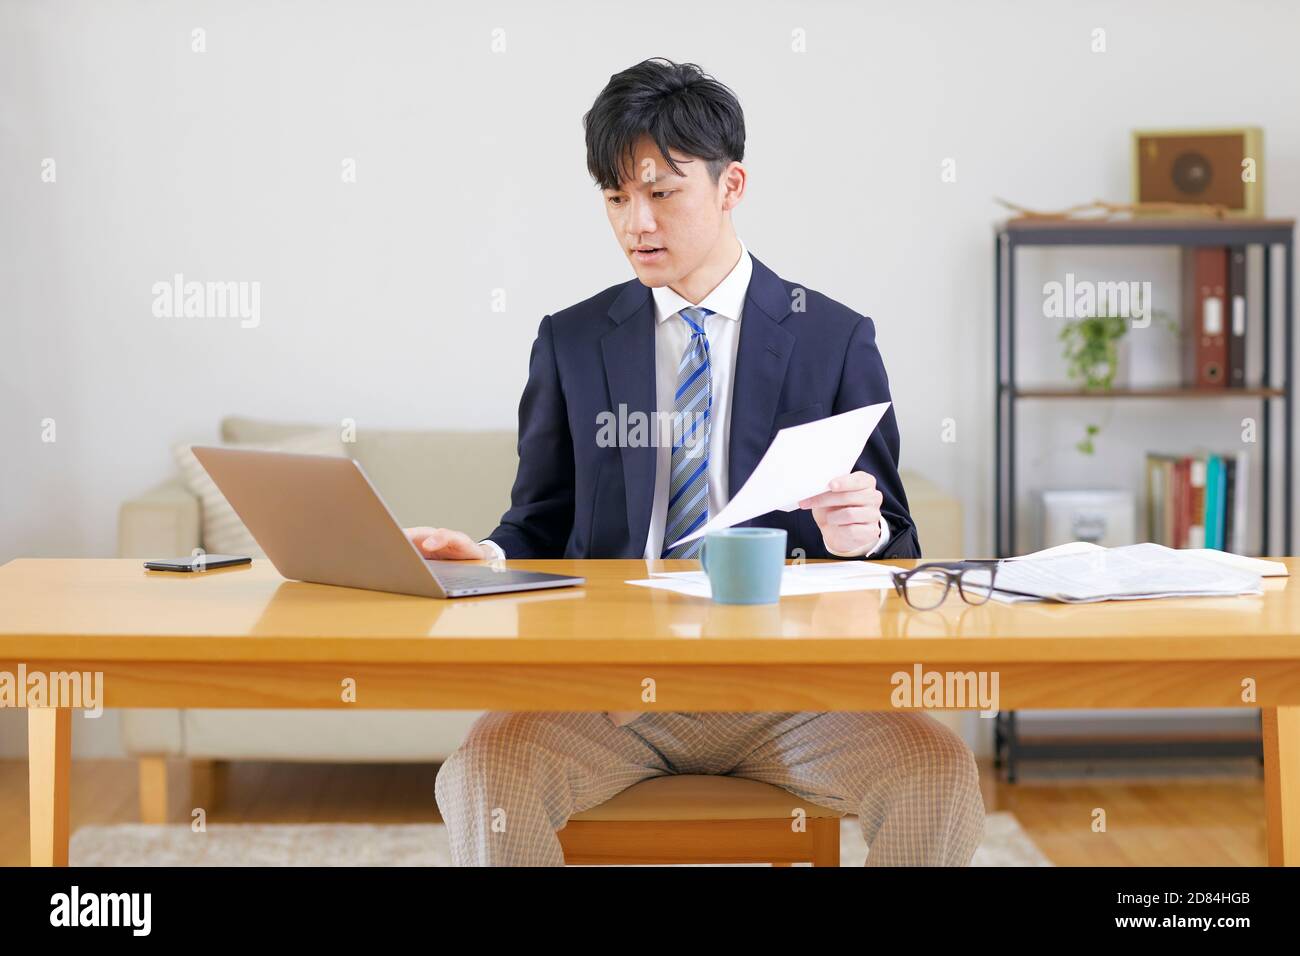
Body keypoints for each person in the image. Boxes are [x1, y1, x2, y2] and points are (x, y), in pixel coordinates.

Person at [409, 58, 984, 866]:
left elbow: (896, 540)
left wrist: (864, 532)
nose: (636, 223)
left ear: (730, 185)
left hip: (793, 693)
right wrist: (490, 559)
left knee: (939, 773)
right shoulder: (571, 341)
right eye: (616, 198)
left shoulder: (832, 338)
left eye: (662, 192)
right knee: (482, 772)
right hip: (609, 692)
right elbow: (537, 518)